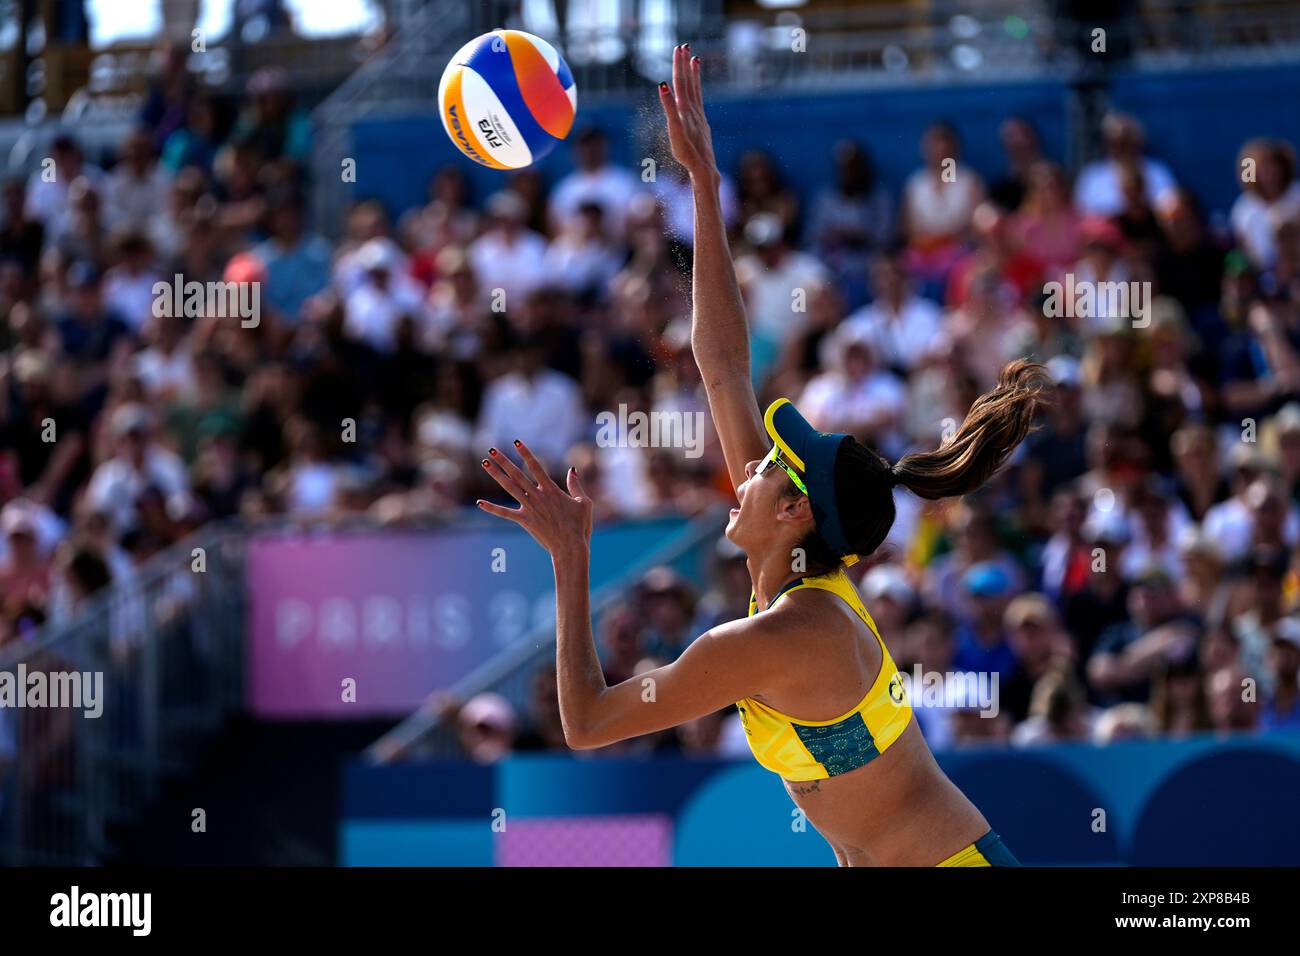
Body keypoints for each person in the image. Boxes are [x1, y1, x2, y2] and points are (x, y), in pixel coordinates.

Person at [475, 48, 1042, 867]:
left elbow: (588, 723)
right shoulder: (796, 569)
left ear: (794, 511)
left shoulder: (777, 632)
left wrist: (571, 563)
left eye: (772, 466)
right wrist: (703, 190)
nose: (747, 466)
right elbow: (723, 363)